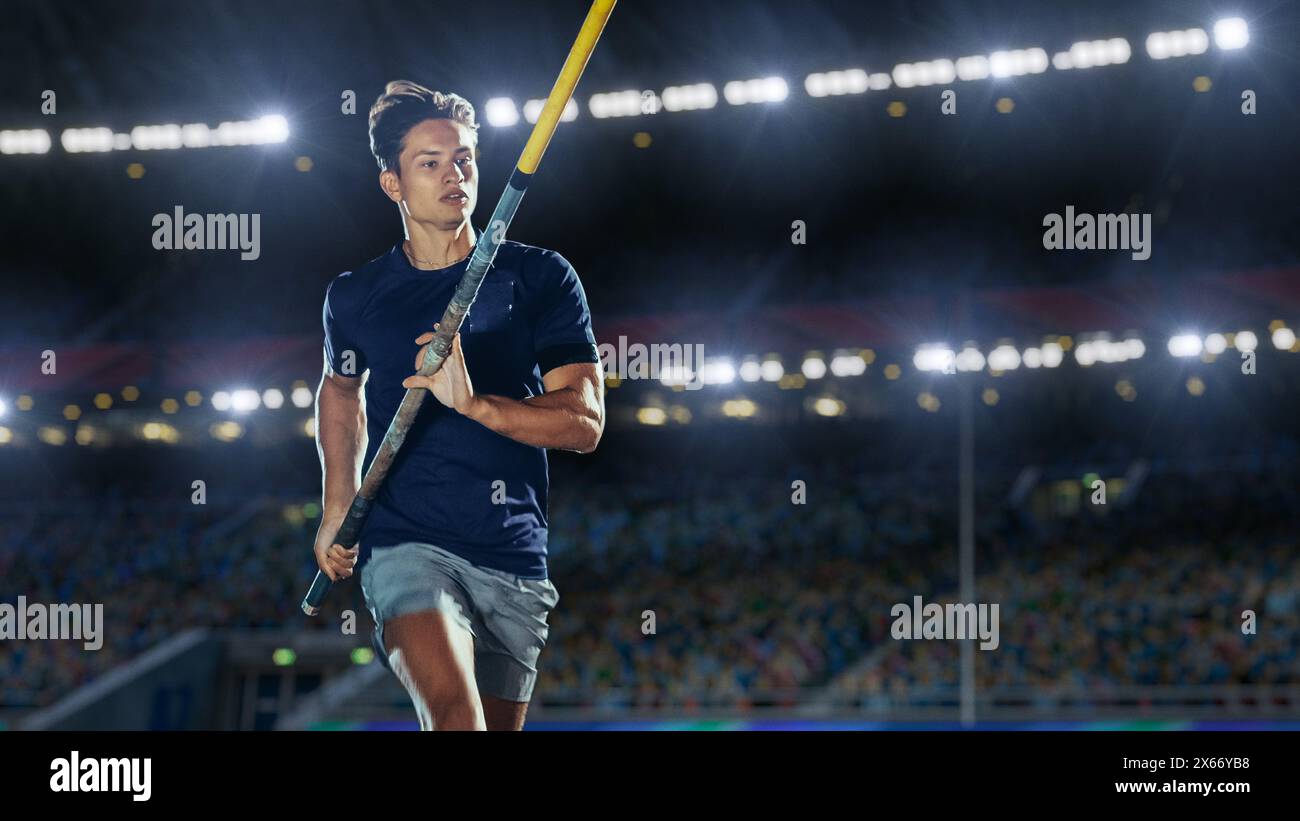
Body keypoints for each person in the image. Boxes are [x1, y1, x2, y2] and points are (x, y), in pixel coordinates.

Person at [313, 80, 604, 730]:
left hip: (514, 556)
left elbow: (584, 423)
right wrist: (336, 505)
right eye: (431, 162)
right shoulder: (356, 296)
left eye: (465, 159)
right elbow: (340, 390)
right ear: (392, 183)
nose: (456, 175)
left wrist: (475, 404)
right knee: (456, 716)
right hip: (405, 544)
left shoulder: (539, 277)